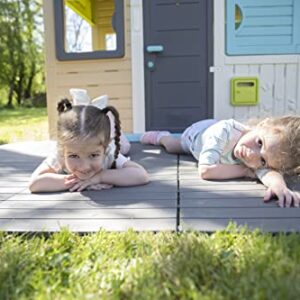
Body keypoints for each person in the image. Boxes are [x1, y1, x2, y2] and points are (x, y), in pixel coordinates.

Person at [140, 116, 300, 207]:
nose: (252, 155)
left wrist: (279, 187)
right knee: (174, 147)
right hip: (196, 135)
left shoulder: (254, 160)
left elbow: (269, 173)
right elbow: (206, 170)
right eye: (259, 143)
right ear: (262, 125)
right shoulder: (224, 131)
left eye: (263, 161)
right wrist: (244, 170)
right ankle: (161, 136)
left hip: (214, 136)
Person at [29, 99, 149, 193]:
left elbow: (141, 175)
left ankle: (106, 118)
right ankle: (83, 102)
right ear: (63, 150)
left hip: (114, 141)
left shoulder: (109, 152)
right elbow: (34, 183)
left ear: (104, 150)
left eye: (93, 155)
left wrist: (101, 176)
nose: (84, 167)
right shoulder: (60, 154)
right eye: (74, 156)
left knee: (124, 147)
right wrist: (72, 181)